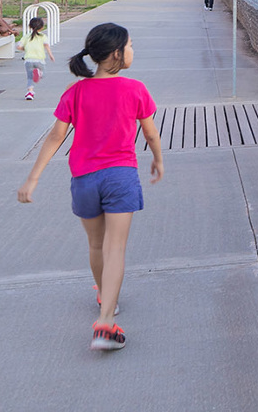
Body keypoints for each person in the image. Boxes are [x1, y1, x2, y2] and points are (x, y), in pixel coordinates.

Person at [17, 22, 163, 352]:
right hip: (121, 176)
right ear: (116, 53)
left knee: (96, 245)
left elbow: (56, 136)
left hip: (84, 179)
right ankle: (106, 322)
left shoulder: (76, 92)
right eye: (130, 46)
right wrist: (158, 159)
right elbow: (151, 133)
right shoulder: (135, 89)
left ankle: (102, 293)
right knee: (115, 249)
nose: (132, 51)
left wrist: (34, 177)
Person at [18, 16, 55, 101]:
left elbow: (19, 47)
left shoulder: (26, 37)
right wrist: (50, 55)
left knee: (30, 77)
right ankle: (39, 73)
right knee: (43, 73)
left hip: (28, 60)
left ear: (29, 26)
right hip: (40, 60)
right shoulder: (43, 36)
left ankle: (30, 93)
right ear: (42, 27)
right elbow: (46, 46)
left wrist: (25, 49)